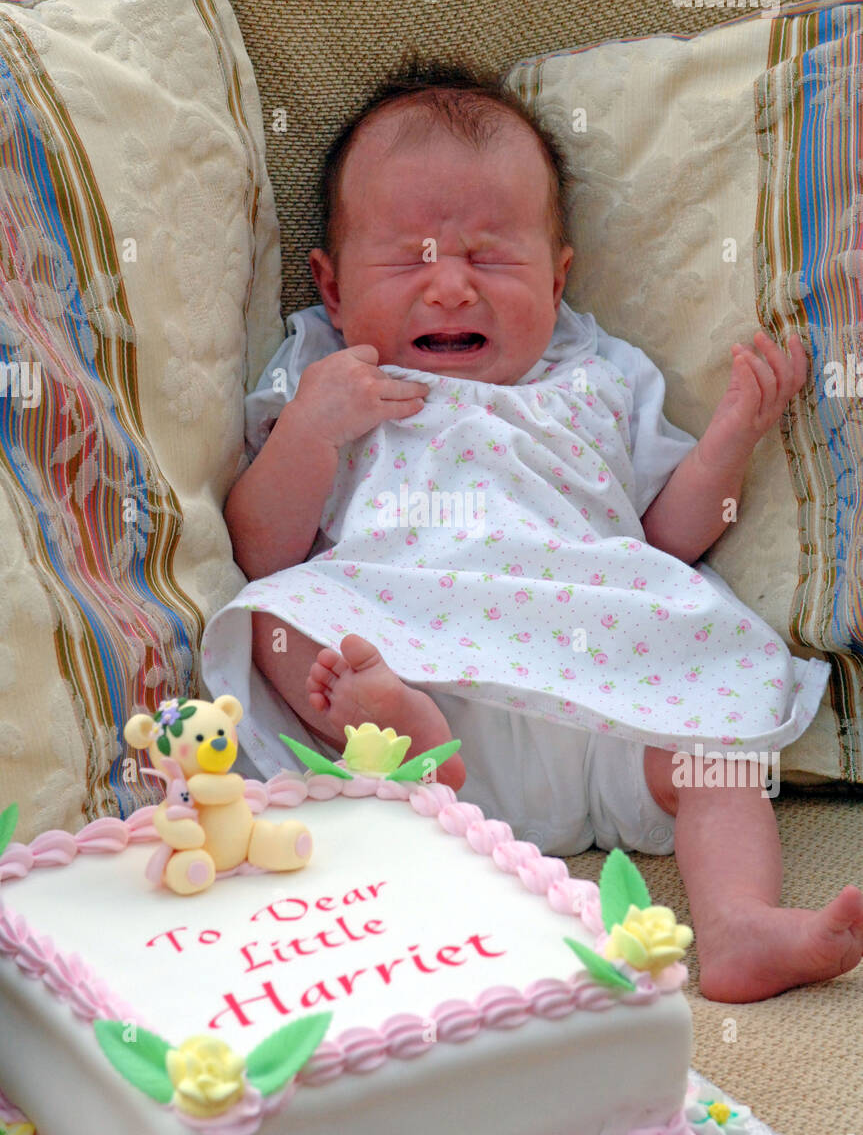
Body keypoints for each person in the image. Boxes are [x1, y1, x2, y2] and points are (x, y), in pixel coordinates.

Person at [201, 56, 863, 1002]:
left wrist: (730, 440)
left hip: (604, 677)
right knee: (273, 611)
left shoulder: (599, 374)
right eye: (410, 258)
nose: (452, 289)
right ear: (333, 286)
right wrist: (309, 429)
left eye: (493, 257)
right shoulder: (329, 375)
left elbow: (671, 536)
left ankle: (739, 925)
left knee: (719, 750)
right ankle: (406, 750)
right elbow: (258, 545)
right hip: (416, 655)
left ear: (558, 282)